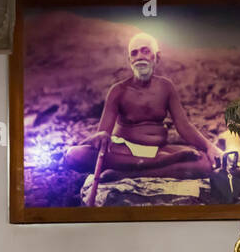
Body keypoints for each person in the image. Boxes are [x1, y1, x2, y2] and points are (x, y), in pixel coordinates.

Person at [63, 32, 222, 193]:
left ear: (157, 57)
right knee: (75, 155)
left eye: (145, 51)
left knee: (204, 163)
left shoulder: (166, 87)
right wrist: (98, 137)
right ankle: (158, 164)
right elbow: (102, 134)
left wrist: (209, 146)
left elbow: (184, 126)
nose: (139, 56)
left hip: (159, 151)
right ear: (130, 61)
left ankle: (124, 175)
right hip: (125, 153)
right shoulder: (118, 90)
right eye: (134, 53)